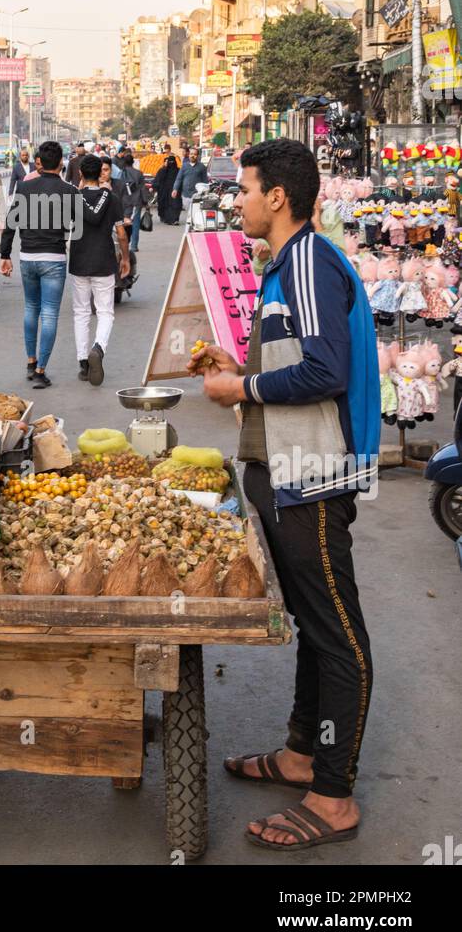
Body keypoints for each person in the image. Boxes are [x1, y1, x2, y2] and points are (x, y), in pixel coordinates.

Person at [187, 139, 378, 853]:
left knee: (339, 636)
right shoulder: (286, 266)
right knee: (308, 619)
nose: (235, 200)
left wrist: (240, 388)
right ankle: (303, 752)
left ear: (278, 197)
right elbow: (297, 360)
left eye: (243, 189)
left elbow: (326, 370)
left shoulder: (309, 263)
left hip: (314, 475)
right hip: (285, 469)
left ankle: (332, 796)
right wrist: (239, 367)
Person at [0, 139, 76, 388]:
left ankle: (31, 360)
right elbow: (79, 227)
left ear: (39, 163)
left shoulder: (23, 188)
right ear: (62, 163)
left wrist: (5, 255)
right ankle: (41, 369)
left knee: (31, 308)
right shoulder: (69, 191)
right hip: (53, 258)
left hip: (28, 257)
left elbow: (11, 223)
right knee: (50, 313)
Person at [70, 154, 130, 385]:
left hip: (79, 260)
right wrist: (125, 258)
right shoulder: (112, 198)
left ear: (82, 174)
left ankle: (84, 363)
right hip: (104, 260)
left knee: (82, 312)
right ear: (102, 173)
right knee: (105, 311)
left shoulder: (73, 199)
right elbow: (121, 233)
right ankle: (99, 348)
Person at [117, 150, 146, 251]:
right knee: (135, 224)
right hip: (136, 202)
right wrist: (145, 202)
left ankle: (123, 244)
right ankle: (134, 246)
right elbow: (143, 189)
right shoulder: (139, 173)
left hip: (123, 201)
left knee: (123, 223)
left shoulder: (121, 174)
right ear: (133, 162)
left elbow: (118, 188)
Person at [171, 146, 207, 224]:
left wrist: (205, 192)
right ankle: (191, 224)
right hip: (185, 195)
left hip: (197, 195)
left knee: (194, 214)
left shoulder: (202, 167)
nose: (192, 156)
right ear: (189, 155)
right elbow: (179, 178)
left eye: (194, 154)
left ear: (197, 156)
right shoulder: (184, 166)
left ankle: (193, 225)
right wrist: (175, 189)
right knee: (189, 211)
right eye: (191, 154)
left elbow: (205, 181)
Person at [153, 151, 181, 225]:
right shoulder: (164, 170)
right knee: (171, 204)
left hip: (172, 191)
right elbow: (158, 180)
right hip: (168, 192)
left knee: (173, 205)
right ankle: (171, 219)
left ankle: (173, 219)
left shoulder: (166, 170)